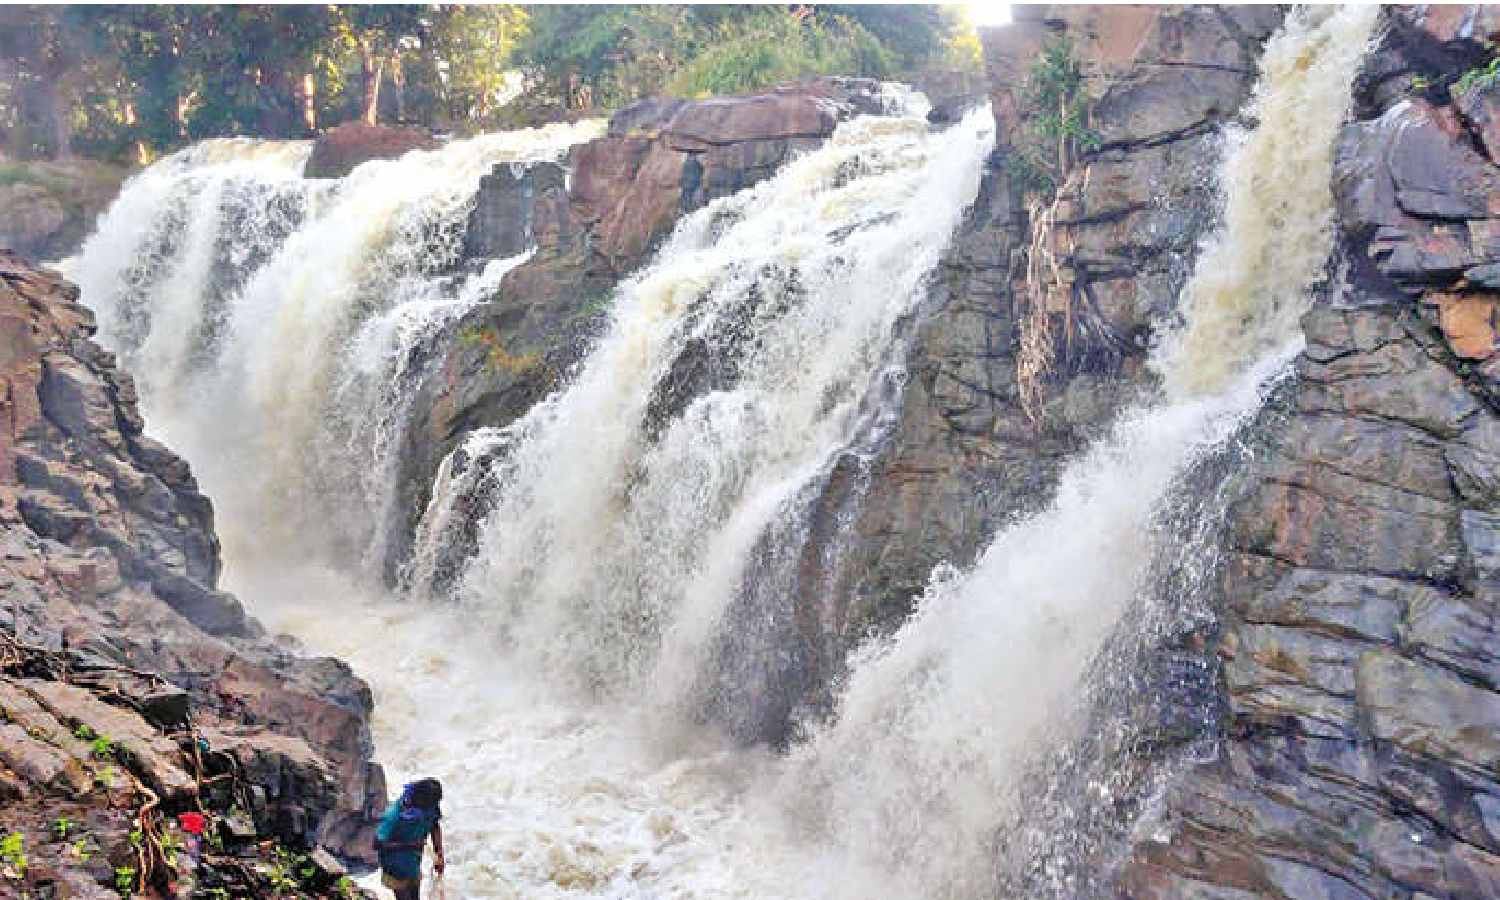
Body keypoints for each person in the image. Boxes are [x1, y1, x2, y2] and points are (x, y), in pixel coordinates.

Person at [375, 778, 446, 900]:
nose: (431, 807)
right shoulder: (394, 814)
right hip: (394, 867)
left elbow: (434, 824)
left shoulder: (429, 805)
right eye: (429, 804)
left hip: (413, 864)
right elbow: (377, 843)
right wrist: (410, 845)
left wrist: (439, 853)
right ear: (419, 798)